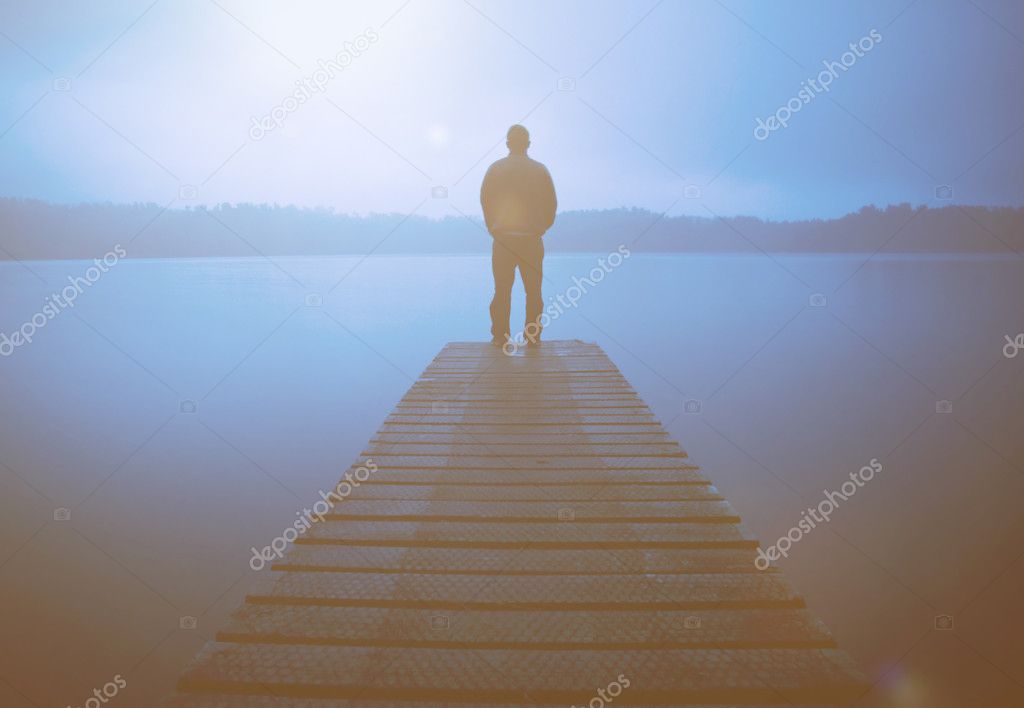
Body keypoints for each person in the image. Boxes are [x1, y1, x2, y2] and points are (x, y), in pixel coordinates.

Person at [480, 124, 557, 346]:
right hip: (531, 239)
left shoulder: (495, 169)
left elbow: (486, 201)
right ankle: (532, 337)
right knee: (534, 291)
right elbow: (551, 204)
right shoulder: (540, 170)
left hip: (503, 238)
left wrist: (493, 227)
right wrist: (541, 228)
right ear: (528, 144)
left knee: (502, 290)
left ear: (507, 144)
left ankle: (500, 336)